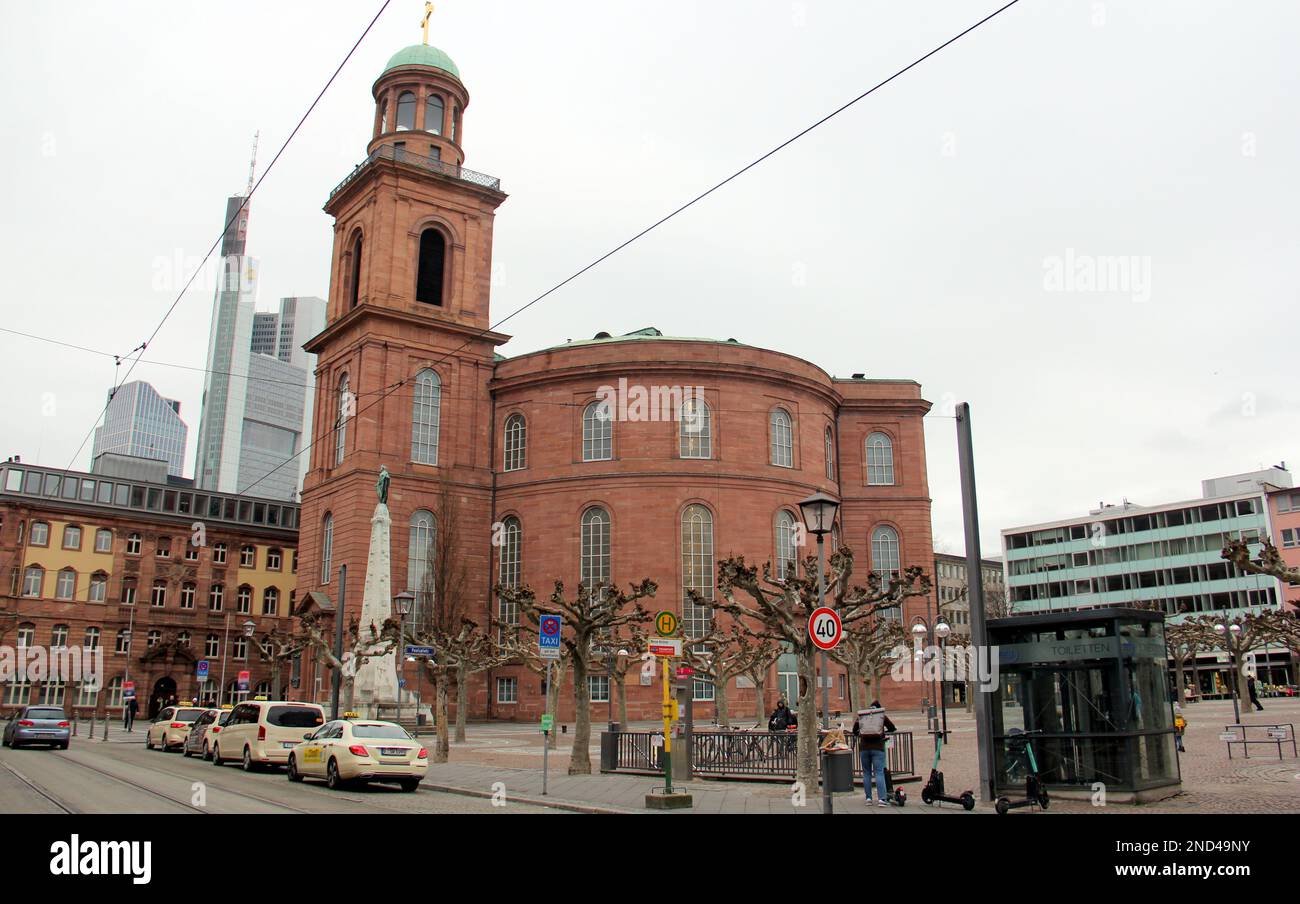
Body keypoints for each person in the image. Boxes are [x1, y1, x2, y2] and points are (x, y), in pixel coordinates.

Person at [853, 700, 896, 808]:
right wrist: (882, 731)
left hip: (864, 748)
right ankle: (881, 799)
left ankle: (868, 798)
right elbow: (892, 727)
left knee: (866, 773)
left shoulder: (863, 716)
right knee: (879, 773)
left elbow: (854, 730)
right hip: (878, 748)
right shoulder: (881, 716)